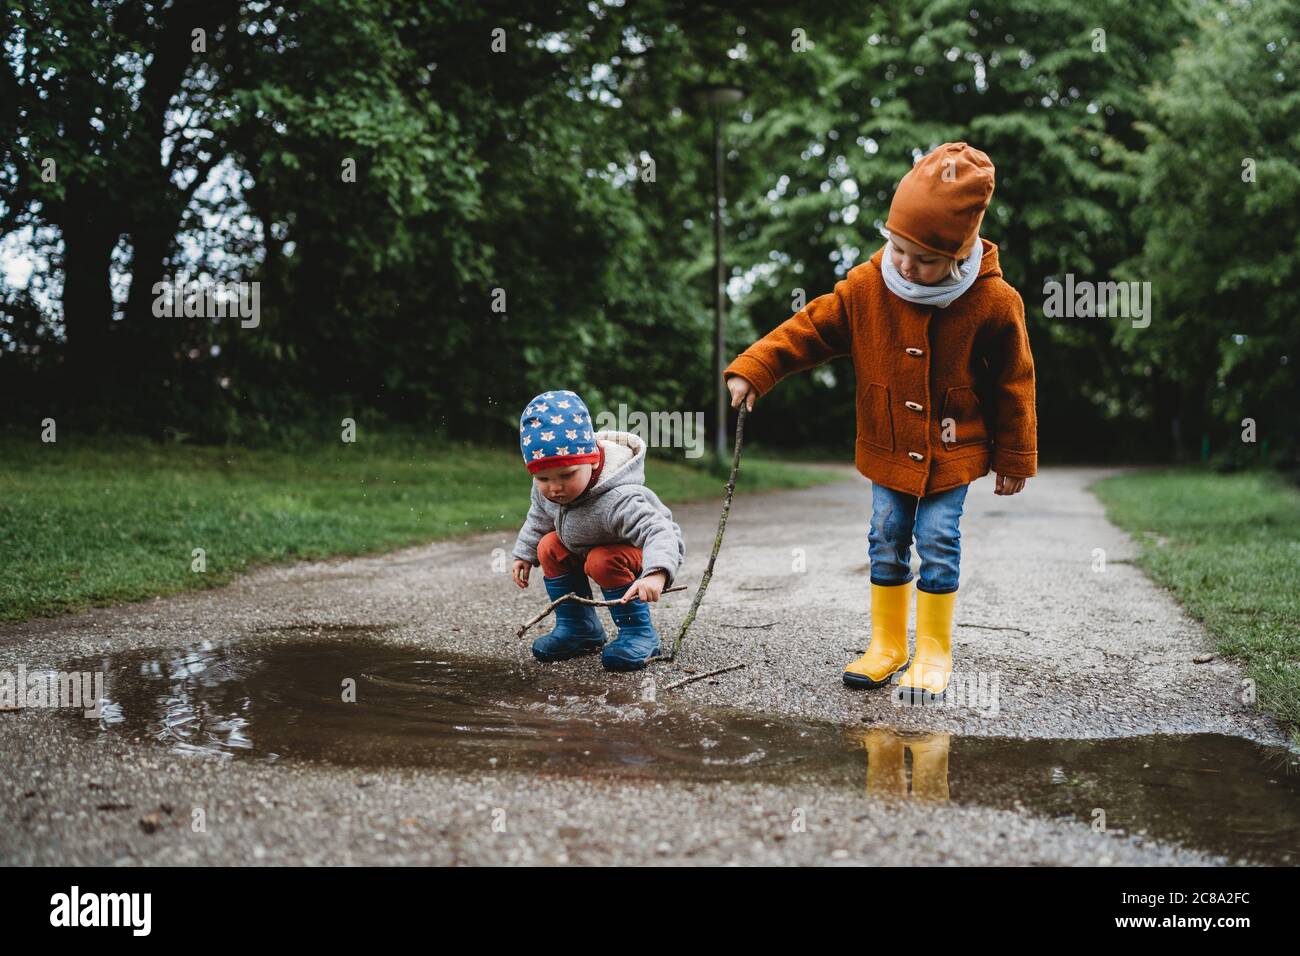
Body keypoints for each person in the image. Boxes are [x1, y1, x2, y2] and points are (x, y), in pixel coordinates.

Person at [724, 142, 1037, 703]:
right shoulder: (869, 288)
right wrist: (757, 367)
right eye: (898, 248)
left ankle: (933, 651)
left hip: (953, 450)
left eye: (924, 258)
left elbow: (1015, 381)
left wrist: (1015, 458)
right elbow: (811, 329)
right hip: (888, 446)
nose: (906, 265)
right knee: (886, 537)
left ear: (960, 252)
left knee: (937, 538)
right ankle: (887, 645)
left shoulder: (993, 300)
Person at [510, 390, 686, 671]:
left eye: (567, 475)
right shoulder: (548, 489)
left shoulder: (621, 497)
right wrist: (523, 553)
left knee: (602, 560)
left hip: (643, 553)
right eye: (543, 478)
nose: (555, 488)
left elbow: (659, 531)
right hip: (588, 546)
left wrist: (657, 574)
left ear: (592, 459)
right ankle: (579, 629)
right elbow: (538, 517)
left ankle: (638, 633)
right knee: (548, 546)